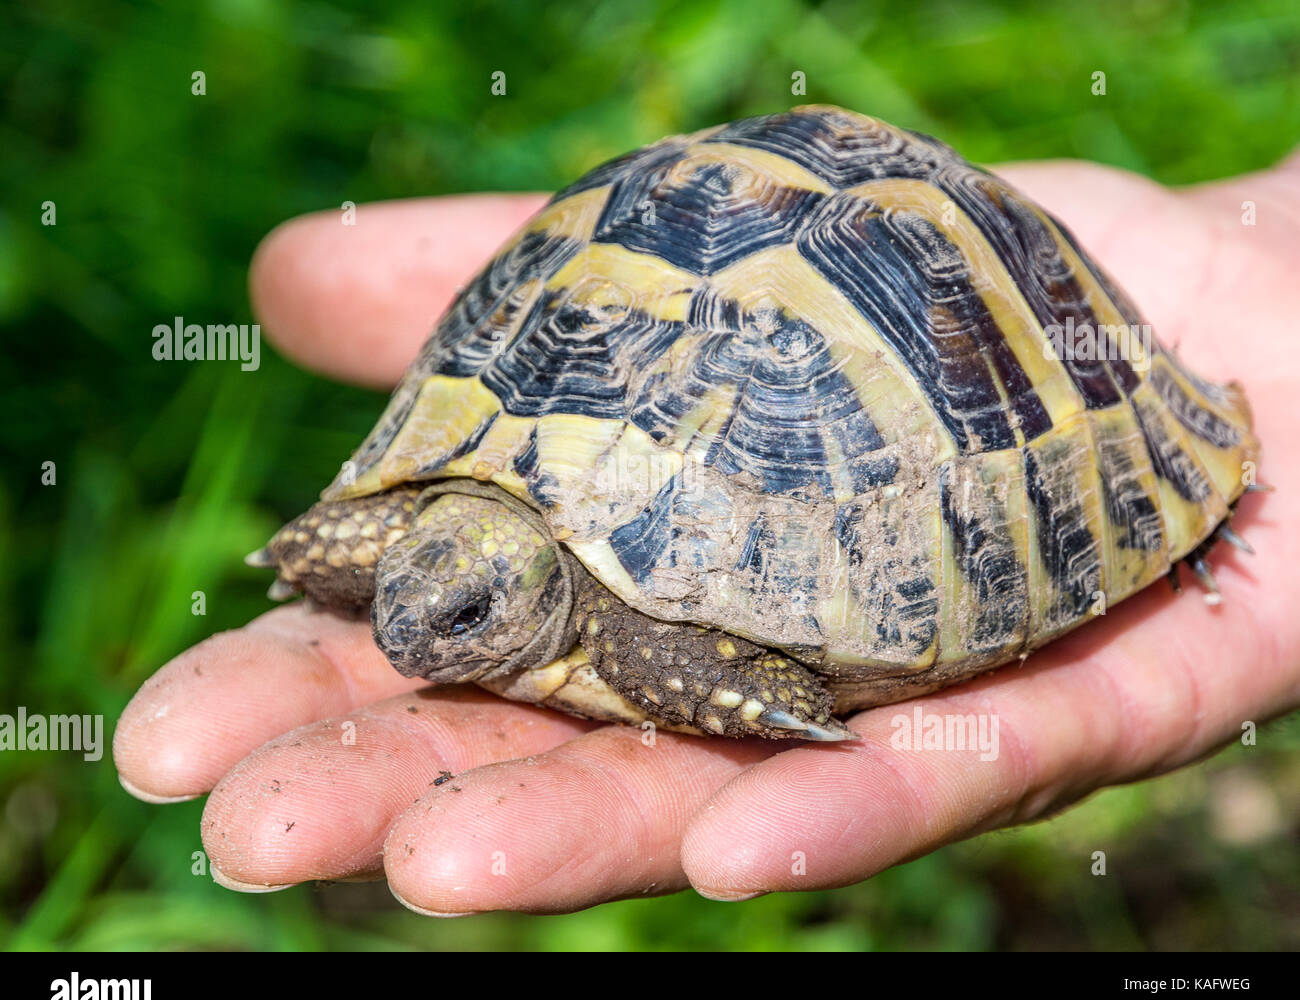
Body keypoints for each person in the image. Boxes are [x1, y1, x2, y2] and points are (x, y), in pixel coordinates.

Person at [114, 153, 1300, 915]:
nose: (413, 632)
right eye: (420, 600)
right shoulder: (445, 554)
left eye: (466, 615)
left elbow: (676, 646)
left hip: (935, 340)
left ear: (532, 598)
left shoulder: (630, 632)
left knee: (697, 670)